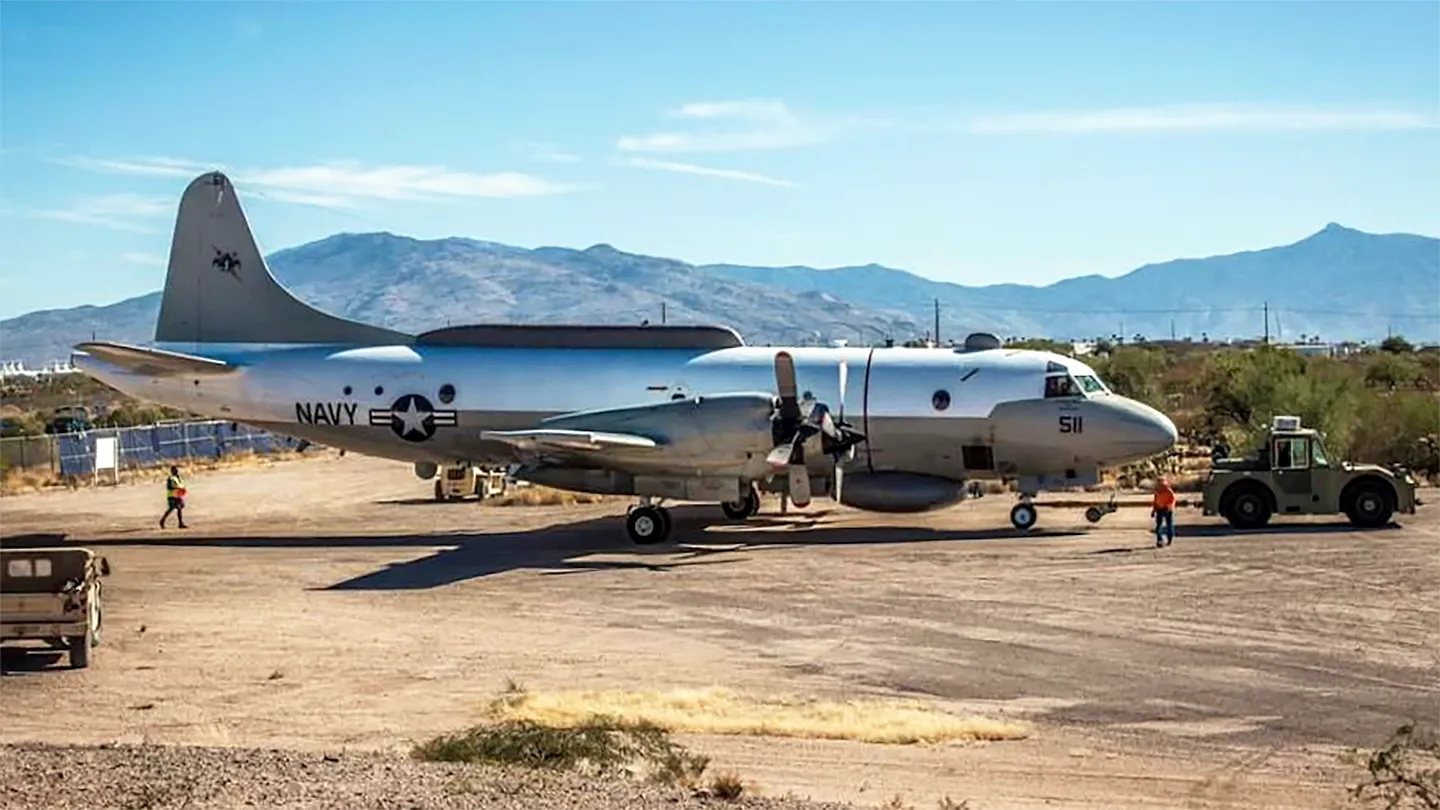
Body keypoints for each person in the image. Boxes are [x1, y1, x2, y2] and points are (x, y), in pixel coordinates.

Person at [1151, 475, 1176, 547]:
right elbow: (1155, 501)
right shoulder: (1157, 491)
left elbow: (1172, 500)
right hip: (1159, 509)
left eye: (1161, 482)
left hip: (1167, 509)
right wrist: (1153, 510)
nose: (1160, 484)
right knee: (1158, 526)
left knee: (1169, 525)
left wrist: (1169, 507)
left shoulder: (1168, 490)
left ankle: (1169, 539)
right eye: (1158, 482)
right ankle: (1160, 540)